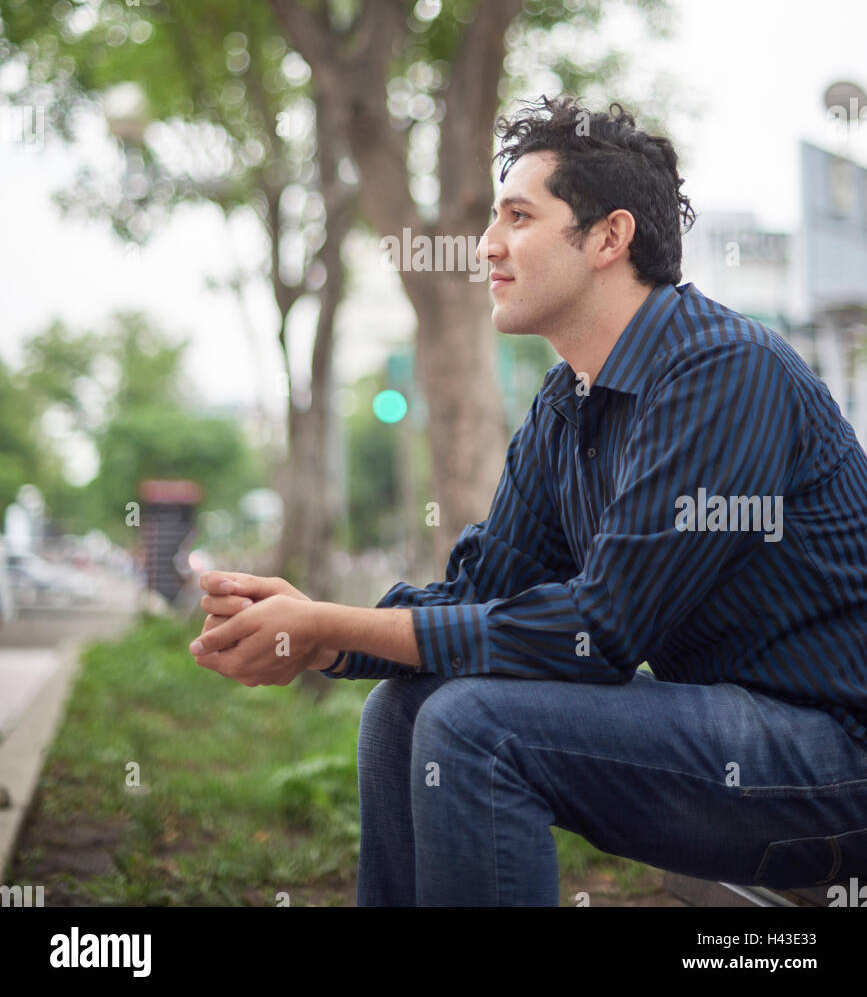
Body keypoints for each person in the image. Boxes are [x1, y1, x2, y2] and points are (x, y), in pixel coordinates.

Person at [190, 95, 867, 907]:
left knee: (476, 726)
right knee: (402, 711)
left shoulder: (724, 372)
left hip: (832, 759)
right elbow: (482, 595)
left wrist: (332, 625)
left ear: (608, 238)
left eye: (517, 216)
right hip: (726, 734)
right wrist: (320, 637)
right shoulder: (564, 405)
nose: (486, 247)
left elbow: (599, 630)